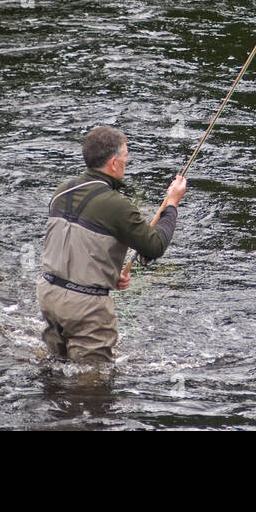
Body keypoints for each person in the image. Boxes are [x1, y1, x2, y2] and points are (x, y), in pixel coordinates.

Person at [37, 125, 185, 363]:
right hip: (86, 305)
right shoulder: (117, 205)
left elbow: (71, 240)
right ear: (114, 163)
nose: (126, 163)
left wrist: (106, 272)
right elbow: (155, 246)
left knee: (55, 366)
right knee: (92, 384)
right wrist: (172, 204)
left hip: (48, 293)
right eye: (125, 158)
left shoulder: (62, 190)